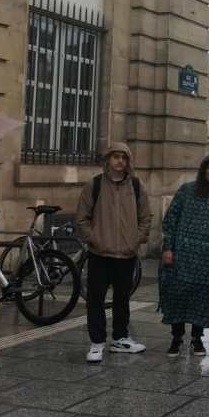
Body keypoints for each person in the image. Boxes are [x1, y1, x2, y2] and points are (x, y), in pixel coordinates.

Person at [77, 143, 153, 363]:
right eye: (116, 156)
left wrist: (136, 239)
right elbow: (82, 218)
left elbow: (146, 216)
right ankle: (97, 342)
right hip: (100, 253)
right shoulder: (94, 185)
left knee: (122, 299)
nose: (120, 161)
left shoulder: (136, 185)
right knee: (96, 299)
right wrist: (94, 238)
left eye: (124, 157)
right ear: (108, 159)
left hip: (126, 254)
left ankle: (120, 337)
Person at [161, 155, 209, 357]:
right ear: (203, 169)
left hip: (208, 257)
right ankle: (176, 337)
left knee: (202, 297)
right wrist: (168, 248)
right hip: (182, 253)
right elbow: (170, 220)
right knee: (177, 294)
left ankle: (197, 338)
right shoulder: (186, 190)